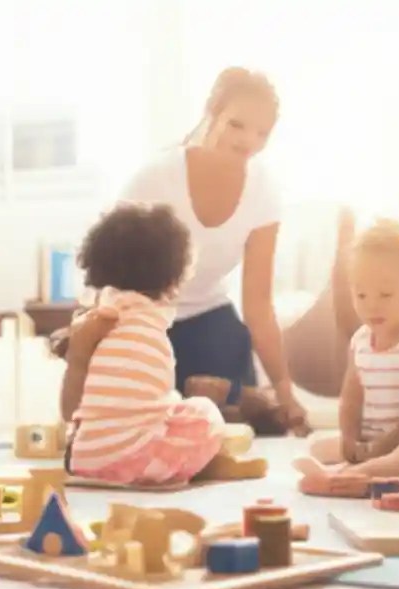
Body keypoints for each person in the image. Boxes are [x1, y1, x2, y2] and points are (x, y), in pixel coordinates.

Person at [117, 66, 307, 435]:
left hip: (208, 317)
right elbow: (110, 278)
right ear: (211, 111)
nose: (247, 140)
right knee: (152, 429)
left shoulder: (264, 190)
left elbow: (259, 304)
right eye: (237, 124)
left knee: (245, 427)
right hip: (144, 318)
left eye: (261, 133)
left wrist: (285, 390)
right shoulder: (153, 180)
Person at [58, 203, 225, 487]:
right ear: (173, 280)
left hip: (83, 462)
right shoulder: (151, 323)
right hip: (133, 464)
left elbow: (70, 411)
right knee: (205, 414)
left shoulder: (94, 322)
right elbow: (156, 407)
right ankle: (153, 470)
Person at [293, 220, 399, 496]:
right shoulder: (360, 341)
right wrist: (350, 438)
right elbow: (351, 399)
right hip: (373, 439)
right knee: (315, 445)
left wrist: (381, 449)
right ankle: (359, 471)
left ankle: (354, 475)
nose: (372, 305)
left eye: (385, 294)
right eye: (361, 294)